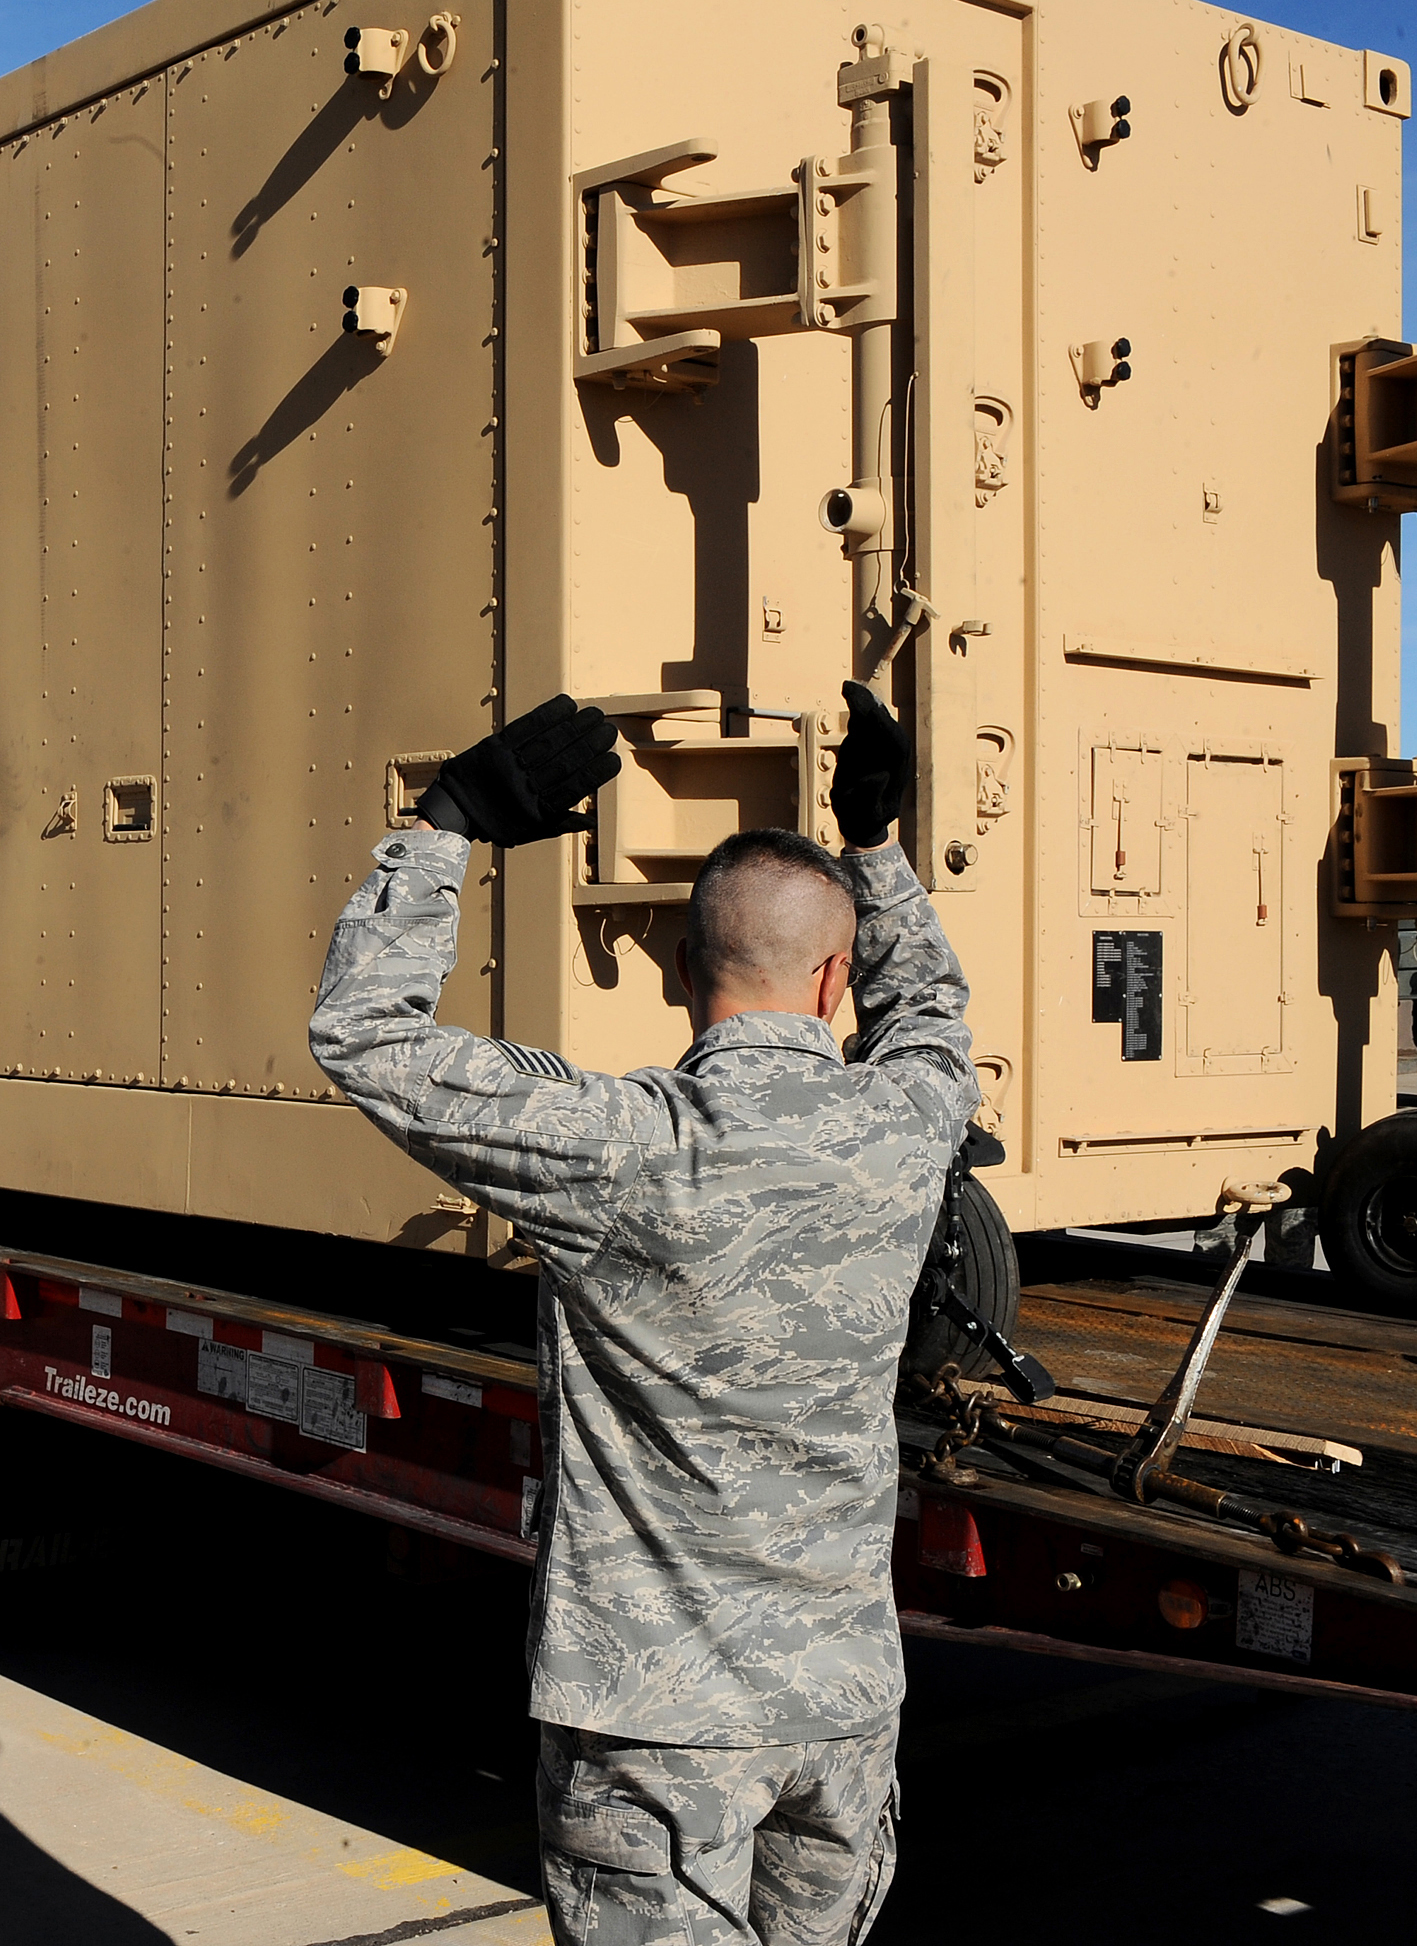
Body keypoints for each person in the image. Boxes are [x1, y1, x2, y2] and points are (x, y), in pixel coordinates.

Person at [308, 685, 974, 1945]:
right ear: (834, 978)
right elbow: (934, 1020)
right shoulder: (906, 1122)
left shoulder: (615, 1147)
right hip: (841, 1707)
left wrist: (450, 820)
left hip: (651, 1715)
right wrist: (876, 850)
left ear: (679, 965)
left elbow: (365, 1032)